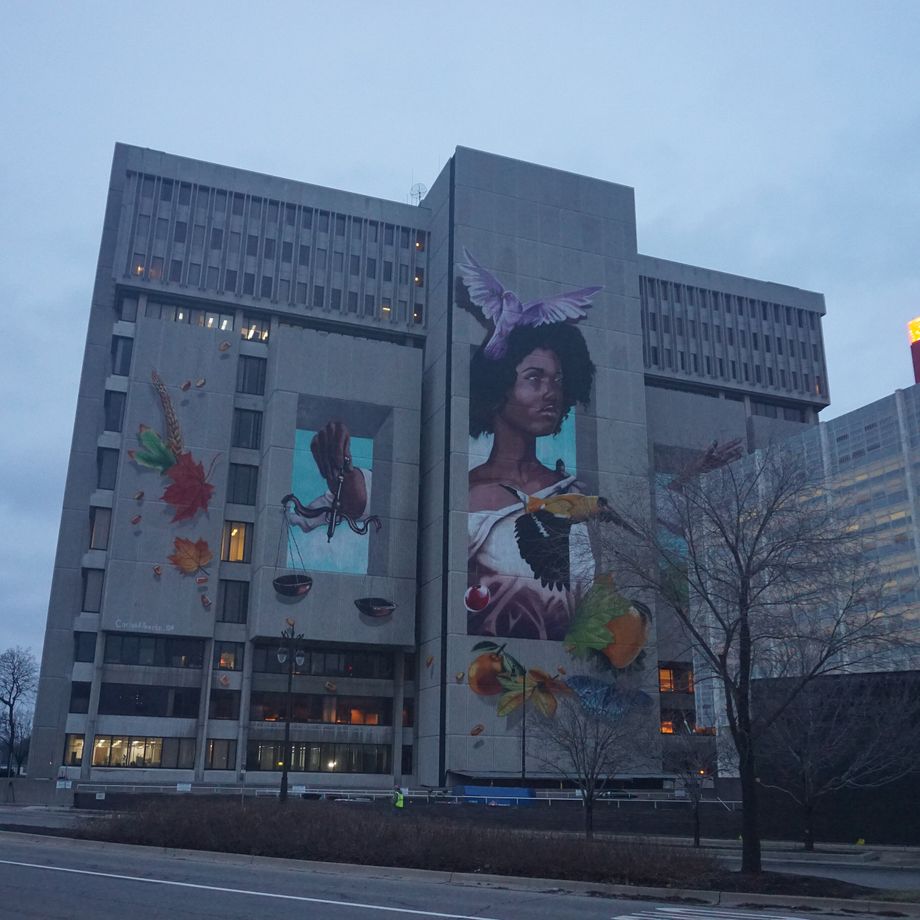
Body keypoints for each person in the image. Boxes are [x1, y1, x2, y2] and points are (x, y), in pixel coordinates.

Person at [467, 323, 597, 640]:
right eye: (534, 378)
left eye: (558, 381)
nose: (550, 393)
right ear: (500, 388)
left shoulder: (572, 494)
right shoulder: (465, 492)